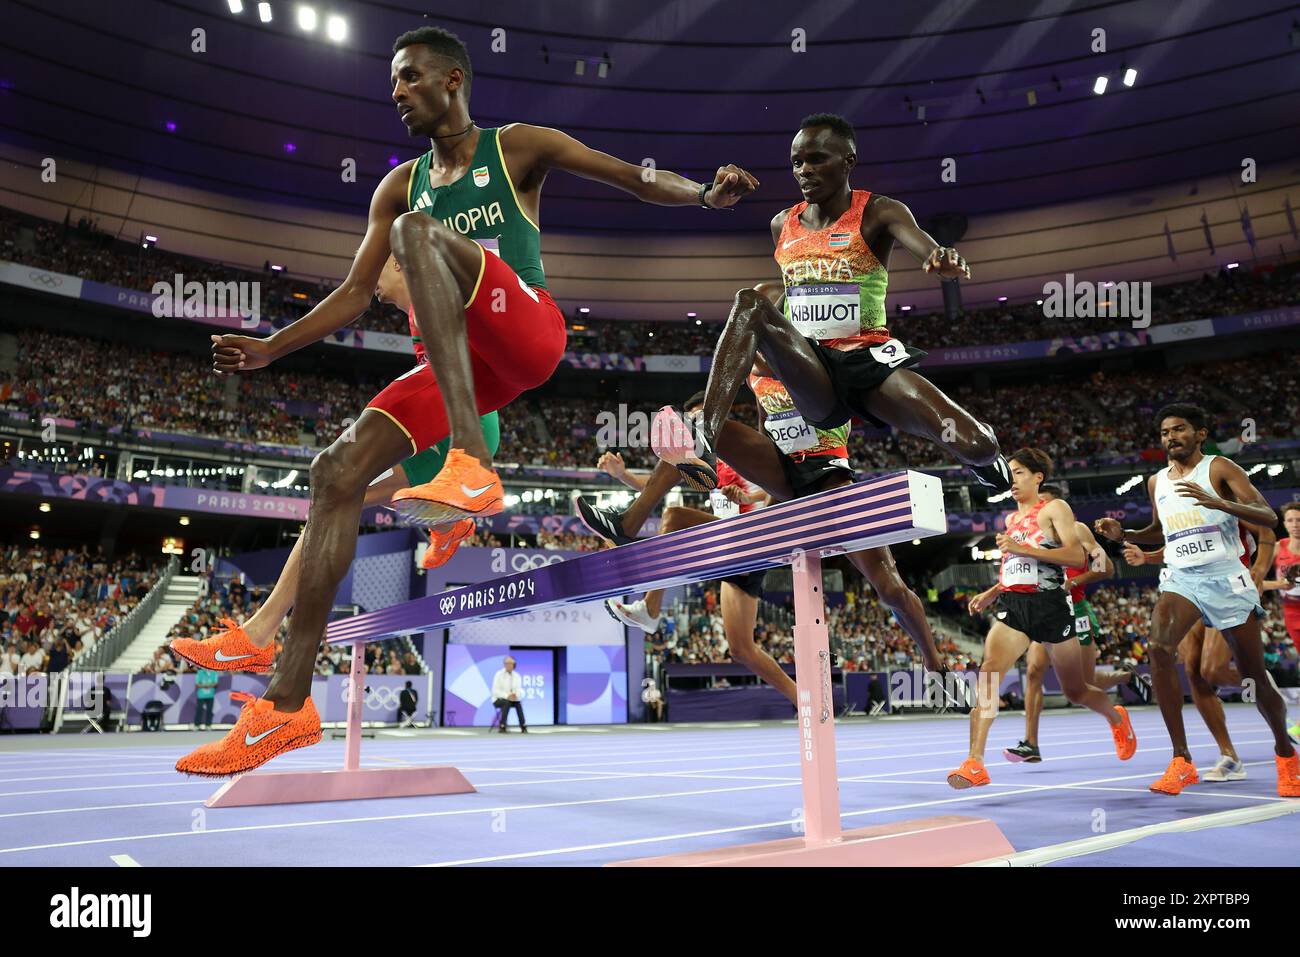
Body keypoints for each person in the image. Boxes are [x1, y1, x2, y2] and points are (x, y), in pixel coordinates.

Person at [182, 25, 755, 776]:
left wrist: (703, 194)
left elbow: (633, 177)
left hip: (529, 334)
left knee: (419, 237)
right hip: (464, 371)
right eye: (391, 81)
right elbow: (356, 293)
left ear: (452, 80)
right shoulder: (398, 185)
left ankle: (473, 461)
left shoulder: (517, 148)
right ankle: (286, 706)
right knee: (335, 471)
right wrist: (270, 345)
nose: (396, 92)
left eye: (409, 78)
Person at [651, 112, 1009, 495]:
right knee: (750, 302)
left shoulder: (880, 211)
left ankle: (988, 463)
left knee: (977, 445)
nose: (804, 170)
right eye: (797, 162)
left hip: (866, 365)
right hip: (810, 368)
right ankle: (704, 434)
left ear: (848, 161)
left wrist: (939, 257)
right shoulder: (781, 224)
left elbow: (925, 244)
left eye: (817, 159)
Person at [581, 371, 971, 711]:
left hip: (819, 483)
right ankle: (803, 699)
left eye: (705, 417)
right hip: (749, 527)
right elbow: (761, 456)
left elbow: (761, 484)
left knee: (890, 590)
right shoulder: (748, 397)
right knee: (738, 645)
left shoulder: (812, 368)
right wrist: (624, 476)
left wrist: (751, 499)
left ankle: (934, 663)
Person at [1093, 403, 1299, 797]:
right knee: (1157, 647)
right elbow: (1159, 531)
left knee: (1254, 676)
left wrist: (1221, 504)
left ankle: (1286, 752)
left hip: (1227, 578)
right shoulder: (1156, 482)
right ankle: (1181, 760)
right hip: (1181, 577)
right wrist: (1126, 534)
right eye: (1165, 432)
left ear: (1200, 434)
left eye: (1180, 429)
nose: (1171, 436)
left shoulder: (1219, 468)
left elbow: (1266, 515)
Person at [951, 448, 1137, 789]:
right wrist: (993, 591)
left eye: (1020, 472)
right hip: (1014, 606)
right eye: (1010, 473)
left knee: (1076, 689)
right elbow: (1017, 566)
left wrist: (1023, 549)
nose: (1013, 479)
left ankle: (1116, 716)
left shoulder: (1055, 509)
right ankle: (975, 761)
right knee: (990, 673)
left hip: (1052, 607)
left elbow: (1075, 554)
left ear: (1039, 477)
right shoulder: (1010, 521)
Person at [1003, 484, 1144, 763]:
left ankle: (1124, 680)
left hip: (1074, 610)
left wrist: (1074, 581)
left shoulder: (1077, 530)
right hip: (1045, 609)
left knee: (1082, 686)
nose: (1039, 509)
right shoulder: (1031, 530)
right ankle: (1031, 743)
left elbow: (1107, 568)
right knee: (1033, 671)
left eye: (1044, 503)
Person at [1262, 500, 1300, 741]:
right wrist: (1280, 584)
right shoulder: (1277, 548)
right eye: (1291, 520)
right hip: (1292, 612)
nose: (1295, 525)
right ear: (1284, 524)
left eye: (1299, 520)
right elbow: (1256, 580)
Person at [491, 656, 526, 733]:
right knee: (506, 703)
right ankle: (502, 726)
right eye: (506, 663)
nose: (508, 665)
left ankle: (523, 726)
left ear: (514, 665)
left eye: (510, 663)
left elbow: (518, 689)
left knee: (518, 703)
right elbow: (495, 691)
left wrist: (516, 695)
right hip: (498, 699)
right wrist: (507, 696)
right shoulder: (498, 674)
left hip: (512, 700)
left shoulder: (517, 676)